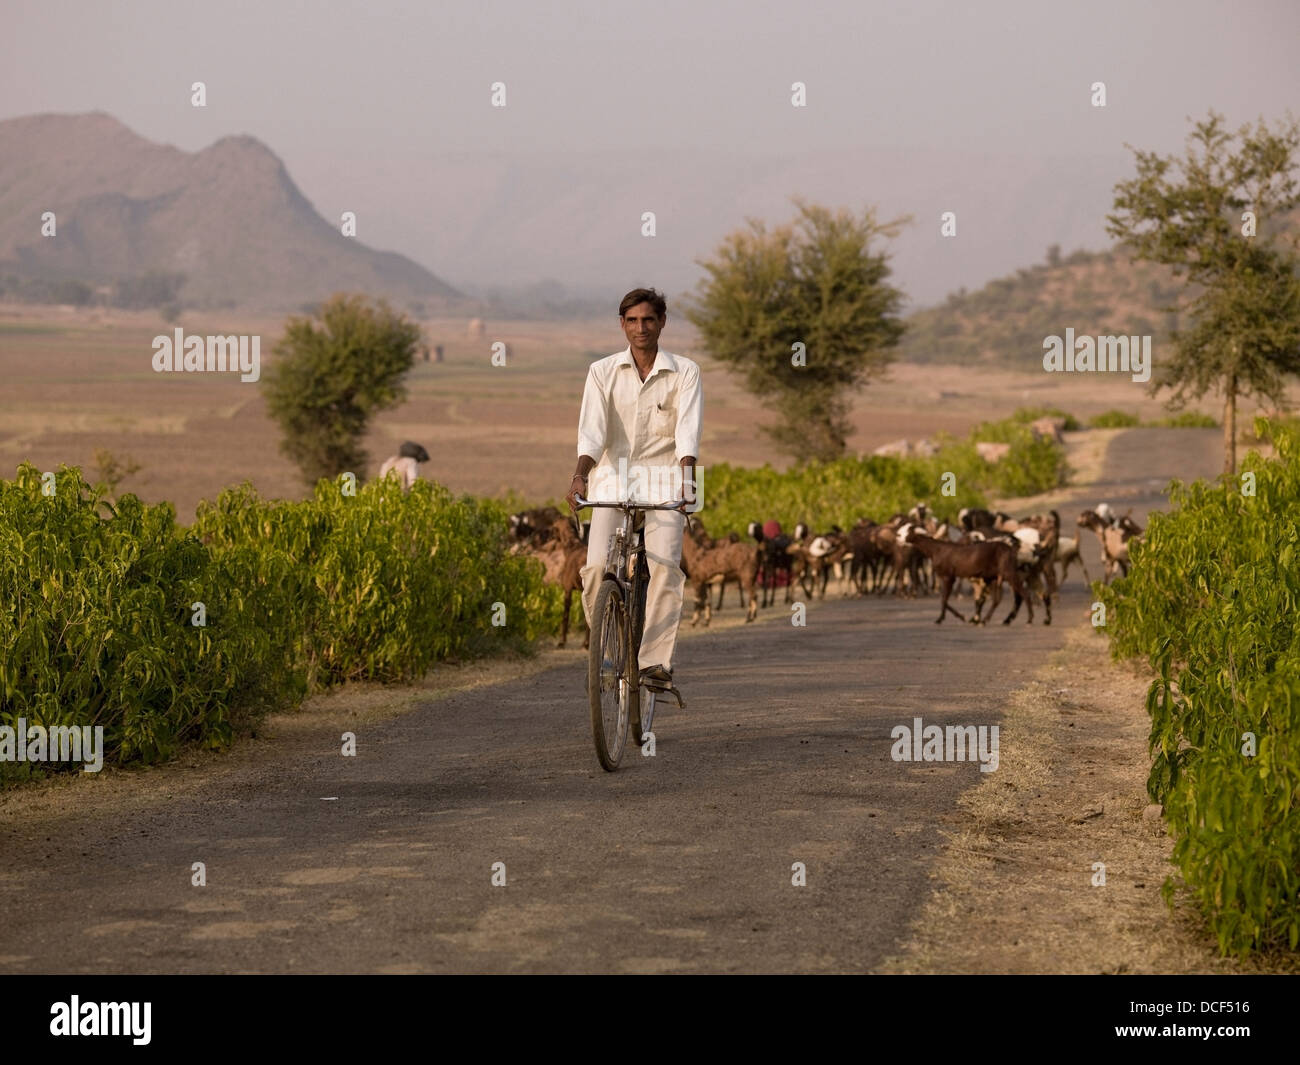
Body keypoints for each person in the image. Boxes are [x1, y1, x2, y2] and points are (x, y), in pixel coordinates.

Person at [565, 287, 702, 690]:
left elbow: (687, 432)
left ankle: (655, 663)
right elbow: (592, 431)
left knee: (665, 566)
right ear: (622, 324)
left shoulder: (685, 371)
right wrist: (580, 474)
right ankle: (607, 649)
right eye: (632, 320)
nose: (640, 328)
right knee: (594, 570)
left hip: (667, 480)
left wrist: (689, 479)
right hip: (612, 478)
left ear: (662, 322)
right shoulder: (601, 371)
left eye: (648, 320)